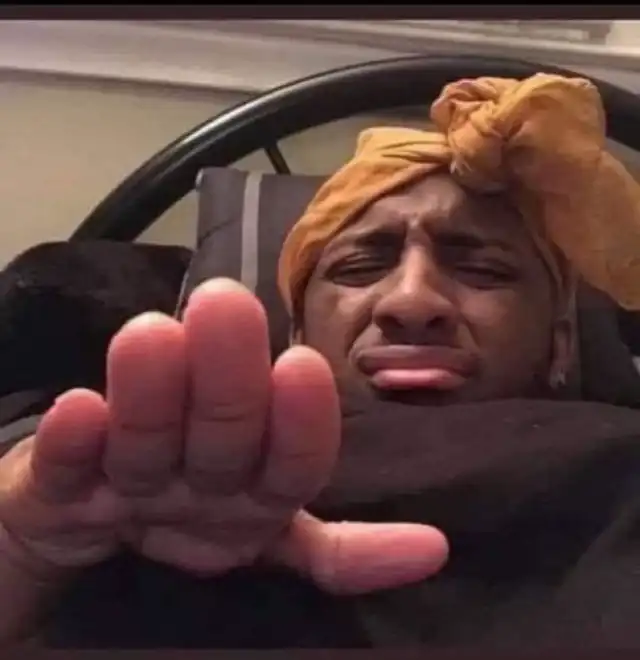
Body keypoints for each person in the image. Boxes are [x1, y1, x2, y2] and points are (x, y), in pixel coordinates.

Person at [0, 73, 639, 649]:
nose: (412, 302)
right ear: (298, 332)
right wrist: (20, 560)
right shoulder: (125, 471)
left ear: (561, 343)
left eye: (483, 270)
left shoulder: (622, 459)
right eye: (359, 266)